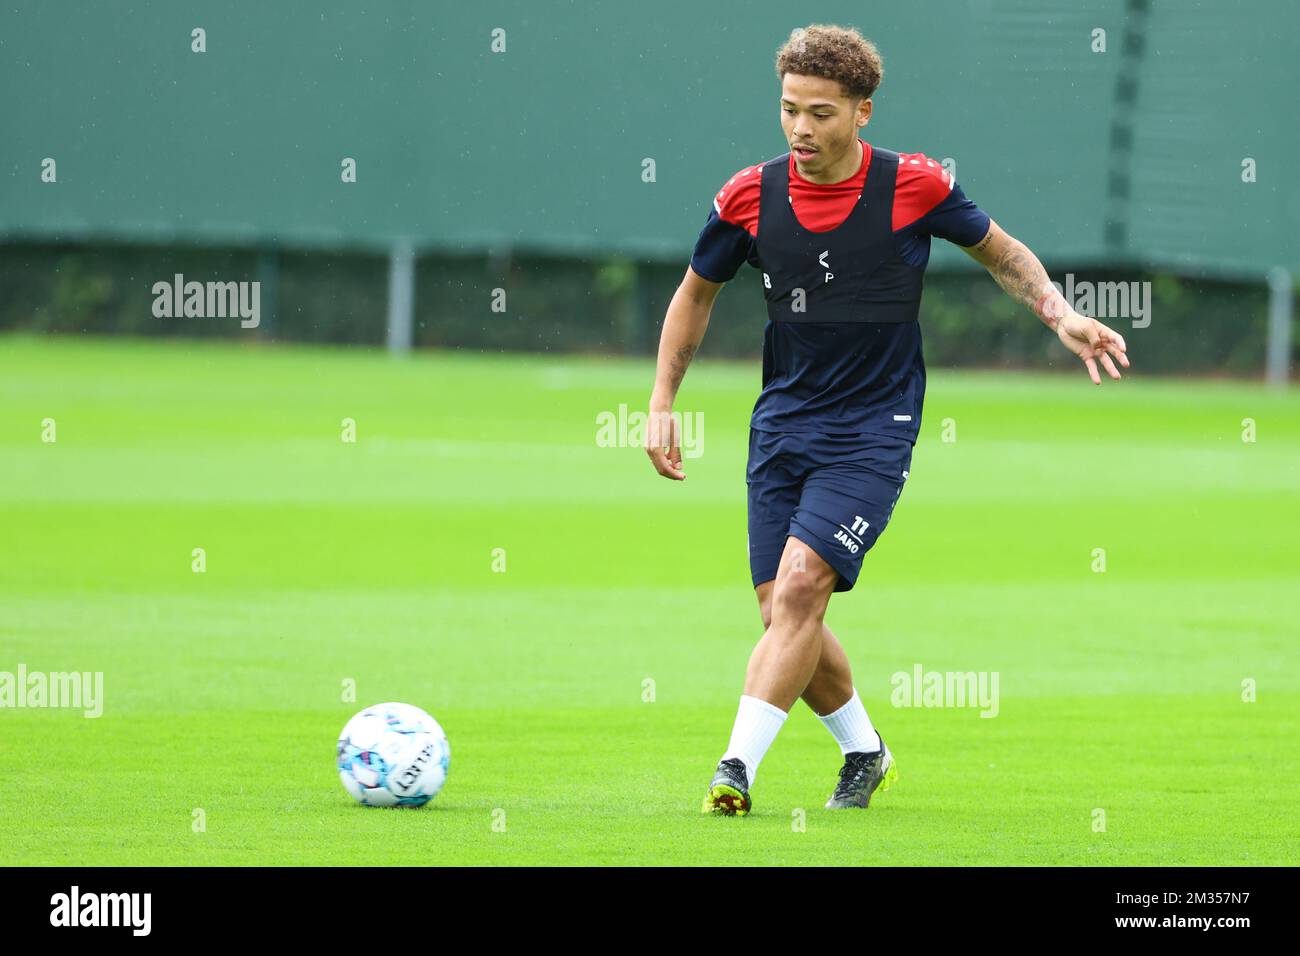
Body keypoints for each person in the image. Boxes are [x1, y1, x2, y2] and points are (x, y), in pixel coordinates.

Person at [643, 24, 1130, 816]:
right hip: (782, 424)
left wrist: (1060, 314)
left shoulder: (916, 185)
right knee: (783, 615)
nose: (802, 129)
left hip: (875, 427)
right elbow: (695, 294)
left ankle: (734, 769)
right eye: (790, 109)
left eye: (822, 113)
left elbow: (1002, 253)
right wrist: (662, 404)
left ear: (863, 112)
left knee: (802, 589)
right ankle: (865, 753)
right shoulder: (747, 196)